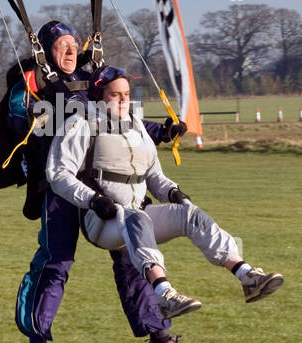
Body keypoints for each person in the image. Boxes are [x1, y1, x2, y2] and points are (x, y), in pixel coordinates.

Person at [0, 23, 201, 343]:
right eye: (62, 46)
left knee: (132, 255)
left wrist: (160, 131)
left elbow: (119, 118)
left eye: (74, 44)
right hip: (59, 190)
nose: (71, 51)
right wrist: (34, 107)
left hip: (102, 188)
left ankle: (160, 339)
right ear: (46, 50)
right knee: (56, 264)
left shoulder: (91, 82)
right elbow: (16, 121)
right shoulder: (31, 84)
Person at [45, 66, 284, 314]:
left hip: (137, 214)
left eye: (127, 93)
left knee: (191, 215)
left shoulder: (135, 125)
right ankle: (164, 294)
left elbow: (153, 174)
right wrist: (93, 200)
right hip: (102, 222)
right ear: (99, 96)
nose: (124, 99)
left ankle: (247, 276)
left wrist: (173, 193)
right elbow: (58, 174)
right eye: (116, 94)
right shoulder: (81, 123)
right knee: (135, 217)